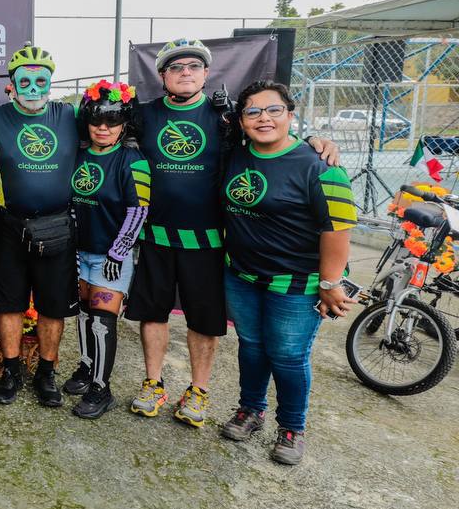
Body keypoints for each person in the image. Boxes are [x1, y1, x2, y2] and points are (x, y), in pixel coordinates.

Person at [126, 38, 339, 428]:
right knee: (152, 315)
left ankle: (198, 389)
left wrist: (314, 140)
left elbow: (270, 133)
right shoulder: (142, 115)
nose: (185, 72)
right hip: (155, 237)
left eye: (193, 66)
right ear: (162, 76)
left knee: (203, 320)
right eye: (176, 67)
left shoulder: (226, 117)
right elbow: (95, 131)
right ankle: (153, 382)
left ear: (206, 73)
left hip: (209, 242)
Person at [218, 81, 357, 465]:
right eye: (254, 112)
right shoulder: (235, 157)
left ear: (290, 115)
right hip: (243, 276)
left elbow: (338, 229)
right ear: (242, 121)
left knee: (288, 356)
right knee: (252, 346)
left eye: (274, 110)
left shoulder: (320, 167)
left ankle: (292, 428)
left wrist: (330, 284)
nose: (264, 118)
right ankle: (250, 410)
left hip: (297, 285)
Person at [0, 45, 81, 407]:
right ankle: (11, 372)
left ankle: (46, 374)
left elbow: (110, 128)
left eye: (41, 80)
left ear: (51, 82)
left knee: (53, 307)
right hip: (8, 226)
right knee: (8, 305)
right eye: (25, 81)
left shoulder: (70, 115)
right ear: (12, 84)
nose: (33, 88)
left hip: (57, 227)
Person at [64, 81, 149, 419]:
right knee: (84, 313)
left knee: (102, 320)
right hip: (79, 253)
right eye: (97, 121)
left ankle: (102, 387)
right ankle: (86, 368)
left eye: (112, 122)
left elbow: (139, 210)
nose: (103, 128)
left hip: (110, 256)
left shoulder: (133, 160)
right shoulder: (79, 155)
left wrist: (118, 251)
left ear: (123, 124)